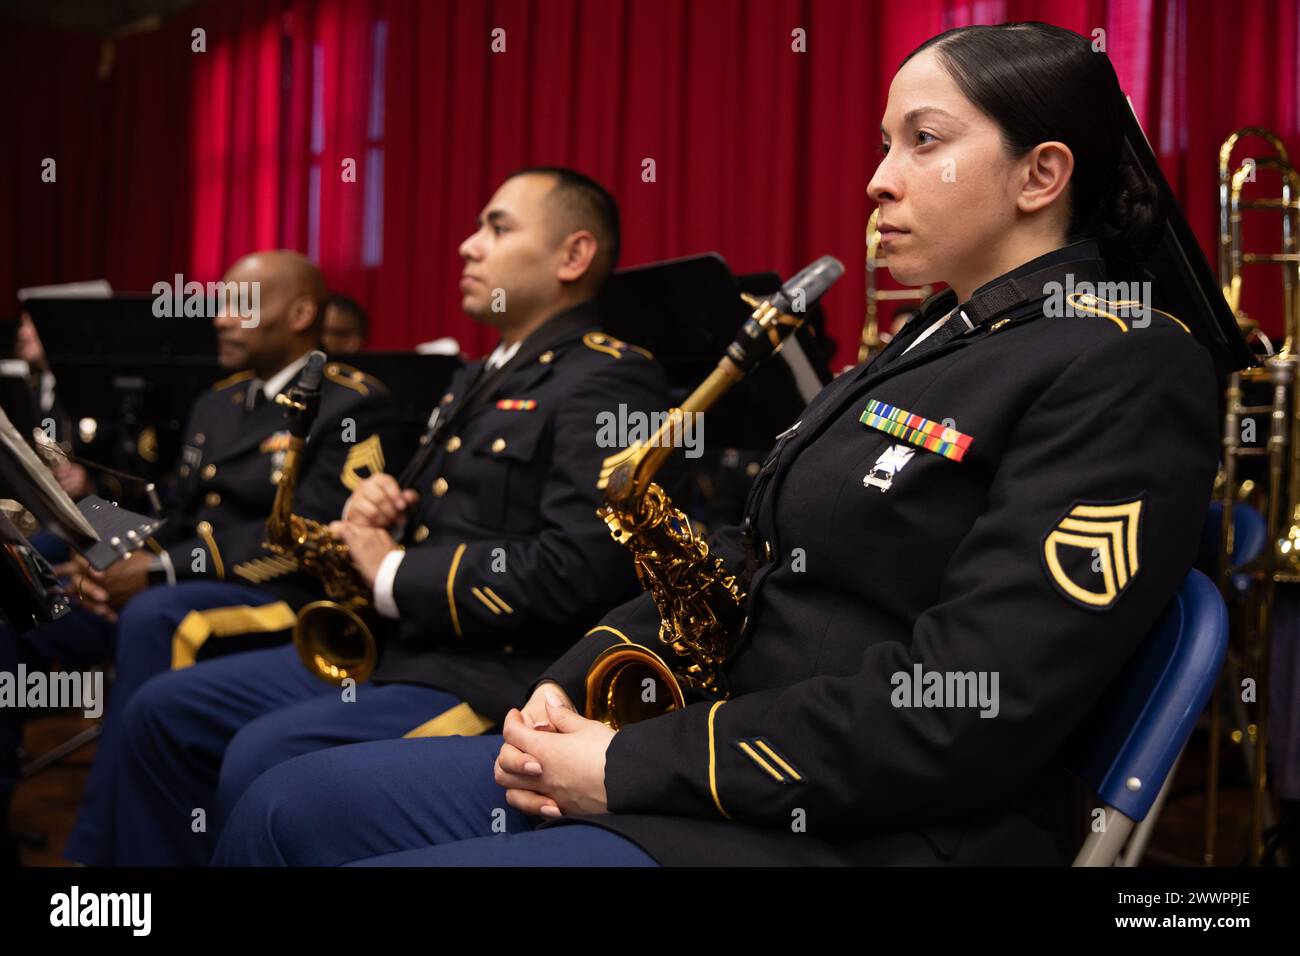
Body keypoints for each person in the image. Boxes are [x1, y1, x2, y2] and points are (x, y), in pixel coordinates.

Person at [215, 22, 1223, 867]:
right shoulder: (937, 337)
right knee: (288, 806)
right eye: (882, 144)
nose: (877, 180)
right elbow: (744, 562)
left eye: (922, 140)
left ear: (1041, 173)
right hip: (728, 764)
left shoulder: (1121, 362)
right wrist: (565, 688)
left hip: (884, 830)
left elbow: (964, 709)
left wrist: (622, 764)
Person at [86, 167, 675, 865]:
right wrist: (382, 511)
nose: (467, 245)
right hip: (399, 644)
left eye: (498, 227)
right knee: (163, 713)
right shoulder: (488, 373)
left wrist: (392, 568)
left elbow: (580, 570)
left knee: (261, 755)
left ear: (573, 257)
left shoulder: (609, 376)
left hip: (494, 676)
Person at [60, 249, 401, 865]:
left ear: (300, 313)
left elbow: (308, 531)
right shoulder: (218, 401)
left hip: (289, 596)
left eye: (241, 305)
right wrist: (112, 553)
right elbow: (180, 510)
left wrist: (161, 568)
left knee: (159, 613)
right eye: (220, 303)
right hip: (203, 579)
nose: (220, 318)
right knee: (41, 573)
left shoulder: (351, 403)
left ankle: (114, 857)